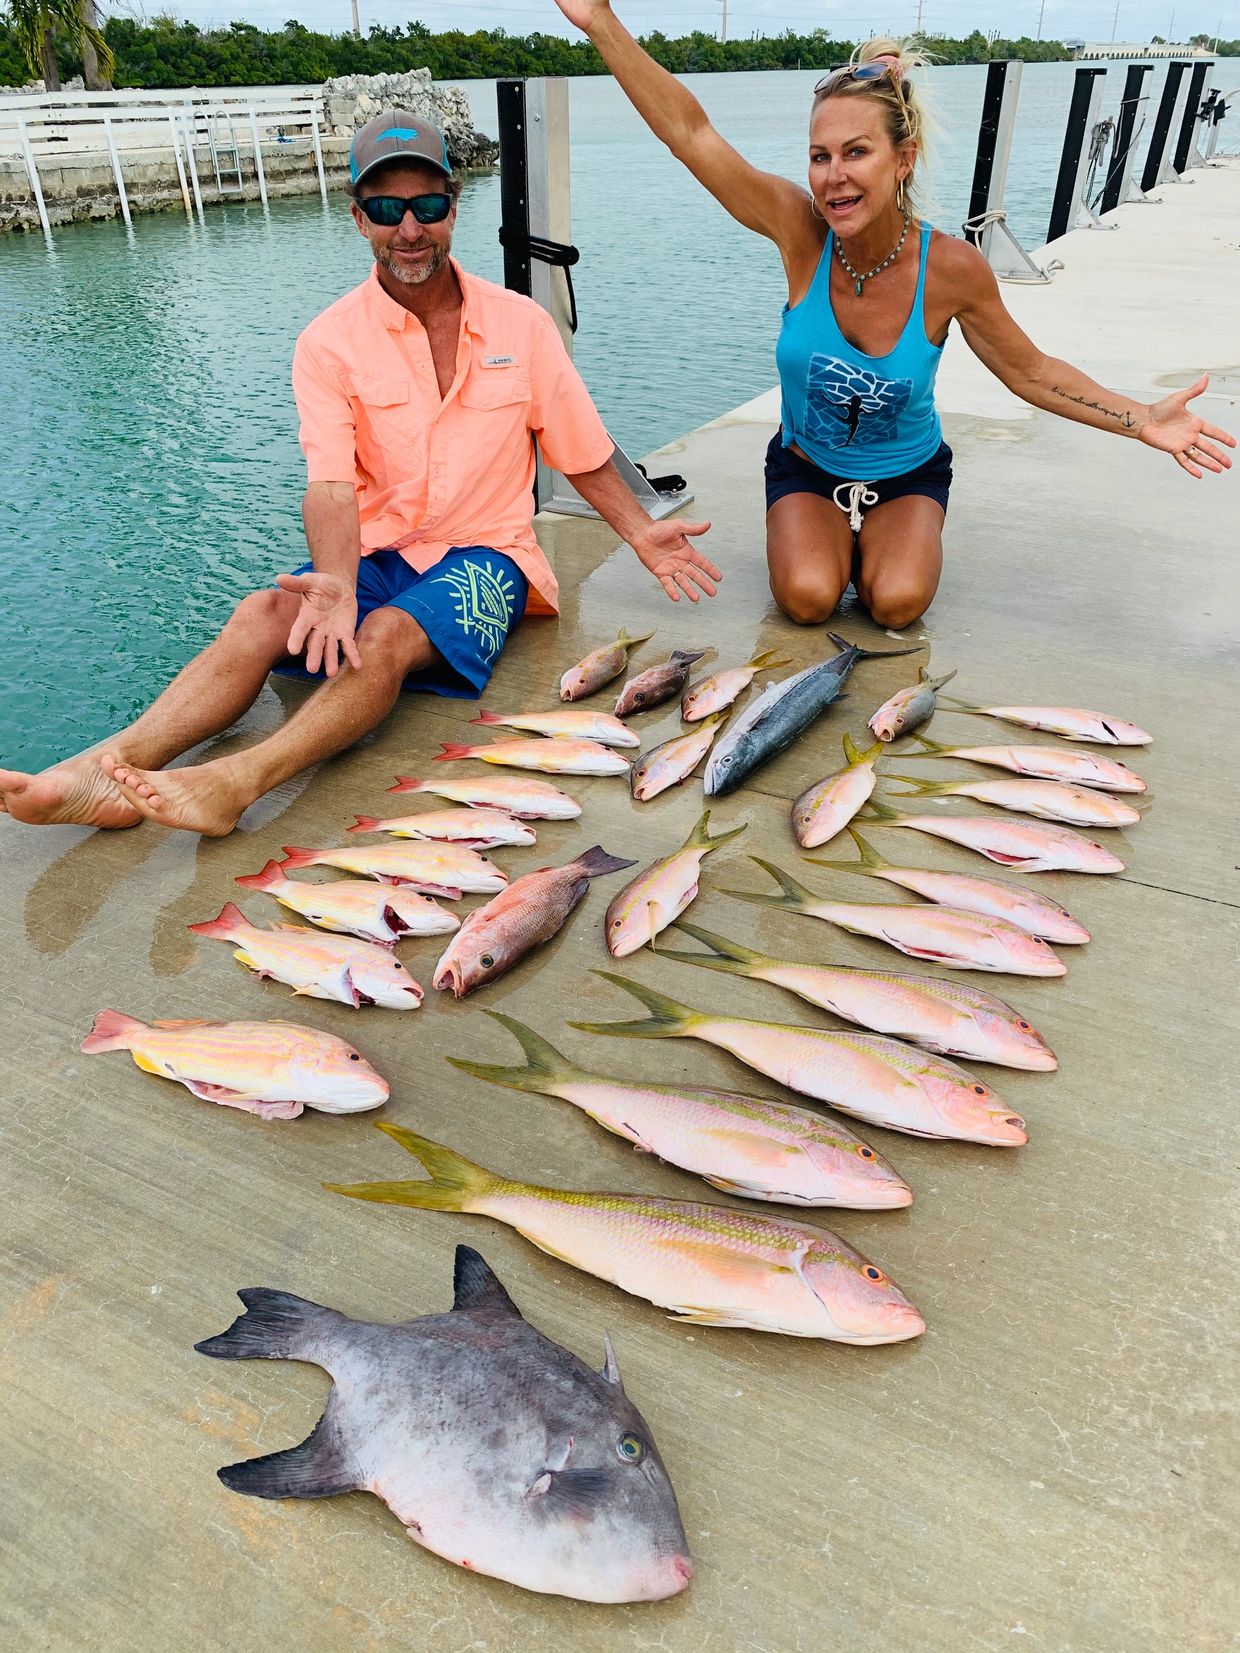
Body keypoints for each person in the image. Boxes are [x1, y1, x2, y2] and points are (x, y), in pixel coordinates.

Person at [0, 110, 721, 837]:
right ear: (357, 218)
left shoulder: (521, 325)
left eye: (427, 206)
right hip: (376, 551)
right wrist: (337, 581)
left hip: (489, 553)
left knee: (383, 638)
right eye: (386, 209)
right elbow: (331, 484)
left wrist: (641, 531)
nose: (409, 229)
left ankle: (233, 783)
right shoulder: (327, 342)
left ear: (452, 207)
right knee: (261, 613)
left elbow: (581, 448)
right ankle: (110, 769)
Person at [550, 5, 1234, 628]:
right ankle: (822, 533)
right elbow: (691, 135)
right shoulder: (797, 229)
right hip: (807, 465)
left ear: (902, 160)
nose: (833, 176)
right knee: (810, 599)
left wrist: (1139, 418)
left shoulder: (951, 269)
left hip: (907, 474)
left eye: (856, 152)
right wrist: (602, 22)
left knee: (897, 604)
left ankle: (889, 537)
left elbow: (1030, 373)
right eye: (820, 156)